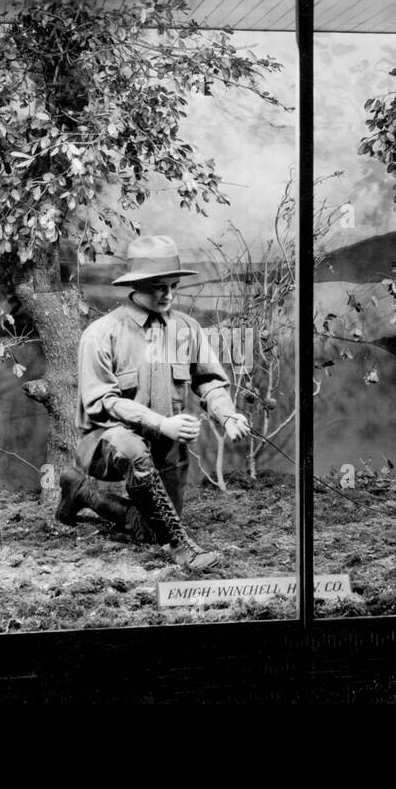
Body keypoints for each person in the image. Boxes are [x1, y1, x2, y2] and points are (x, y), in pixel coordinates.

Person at [56, 235, 250, 570]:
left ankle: (81, 493)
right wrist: (161, 423)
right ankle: (182, 546)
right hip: (107, 442)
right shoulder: (102, 334)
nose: (169, 294)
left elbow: (209, 382)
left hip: (165, 447)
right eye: (159, 286)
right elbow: (103, 401)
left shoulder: (186, 330)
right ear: (136, 284)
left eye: (173, 285)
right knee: (132, 449)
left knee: (150, 531)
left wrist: (228, 415)